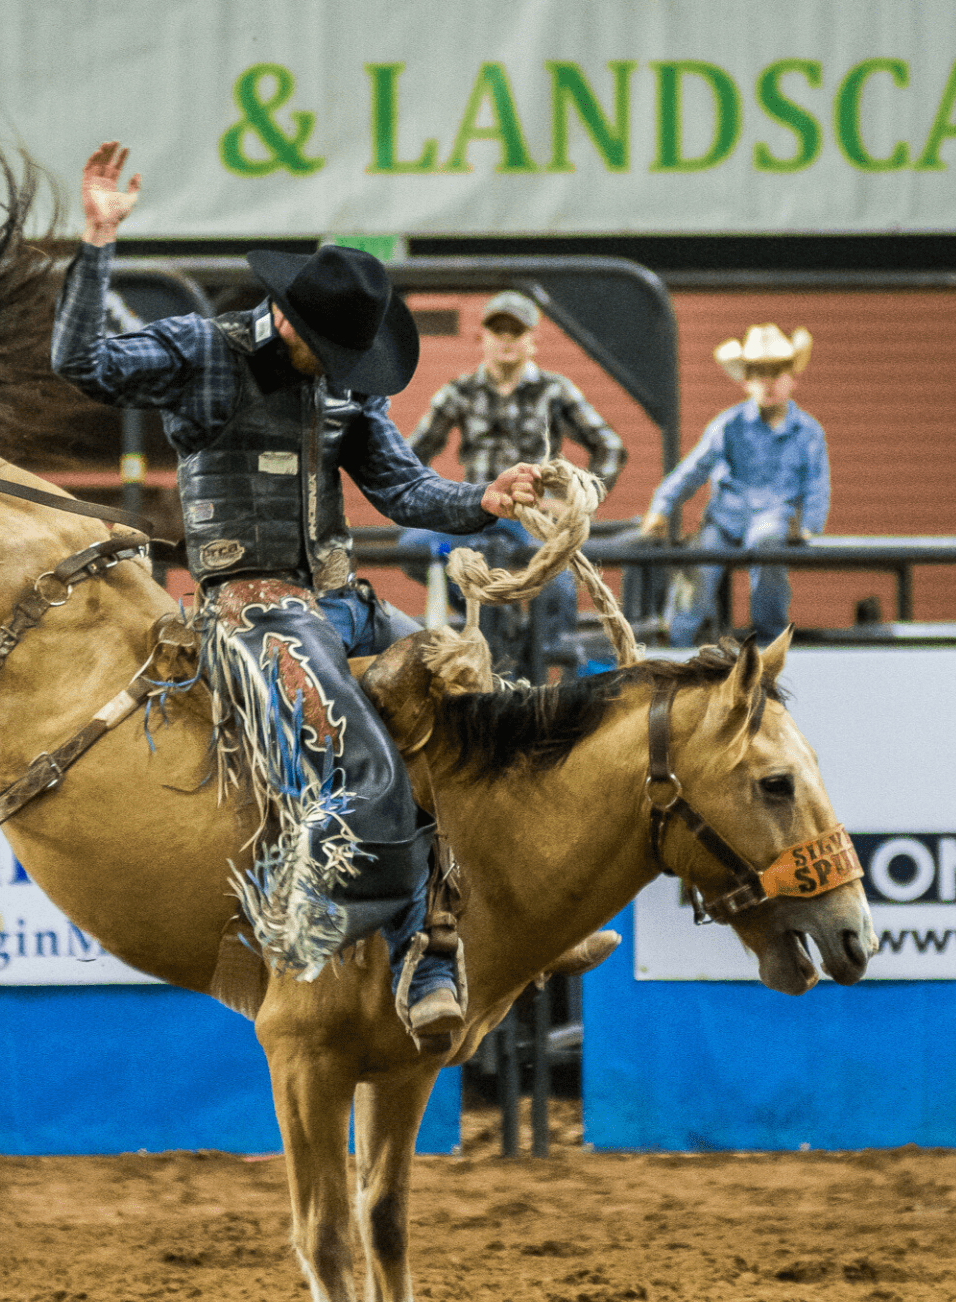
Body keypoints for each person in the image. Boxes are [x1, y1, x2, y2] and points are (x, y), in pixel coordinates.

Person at [50, 142, 541, 1049]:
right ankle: (377, 941)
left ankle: (480, 932)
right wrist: (97, 245)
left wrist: (485, 500)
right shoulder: (201, 353)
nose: (347, 364)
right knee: (361, 760)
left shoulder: (346, 384)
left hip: (341, 601)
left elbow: (402, 489)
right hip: (248, 607)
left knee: (478, 699)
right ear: (286, 316)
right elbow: (80, 360)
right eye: (336, 346)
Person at [405, 291, 627, 648]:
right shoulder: (458, 392)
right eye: (498, 332)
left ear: (532, 341)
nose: (506, 340)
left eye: (516, 332)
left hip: (532, 519)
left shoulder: (554, 391)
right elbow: (412, 456)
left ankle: (551, 663)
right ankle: (494, 617)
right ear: (483, 339)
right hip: (476, 514)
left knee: (557, 583)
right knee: (418, 548)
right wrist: (442, 500)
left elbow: (611, 447)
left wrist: (572, 503)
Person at [640, 324, 828, 647]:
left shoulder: (808, 432)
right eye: (758, 373)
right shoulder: (728, 425)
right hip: (726, 516)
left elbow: (817, 483)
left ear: (792, 377)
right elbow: (693, 468)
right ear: (746, 381)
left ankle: (770, 642)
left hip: (773, 517)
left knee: (766, 544)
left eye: (777, 372)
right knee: (701, 557)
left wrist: (810, 525)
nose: (768, 383)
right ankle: (675, 641)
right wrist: (661, 507)